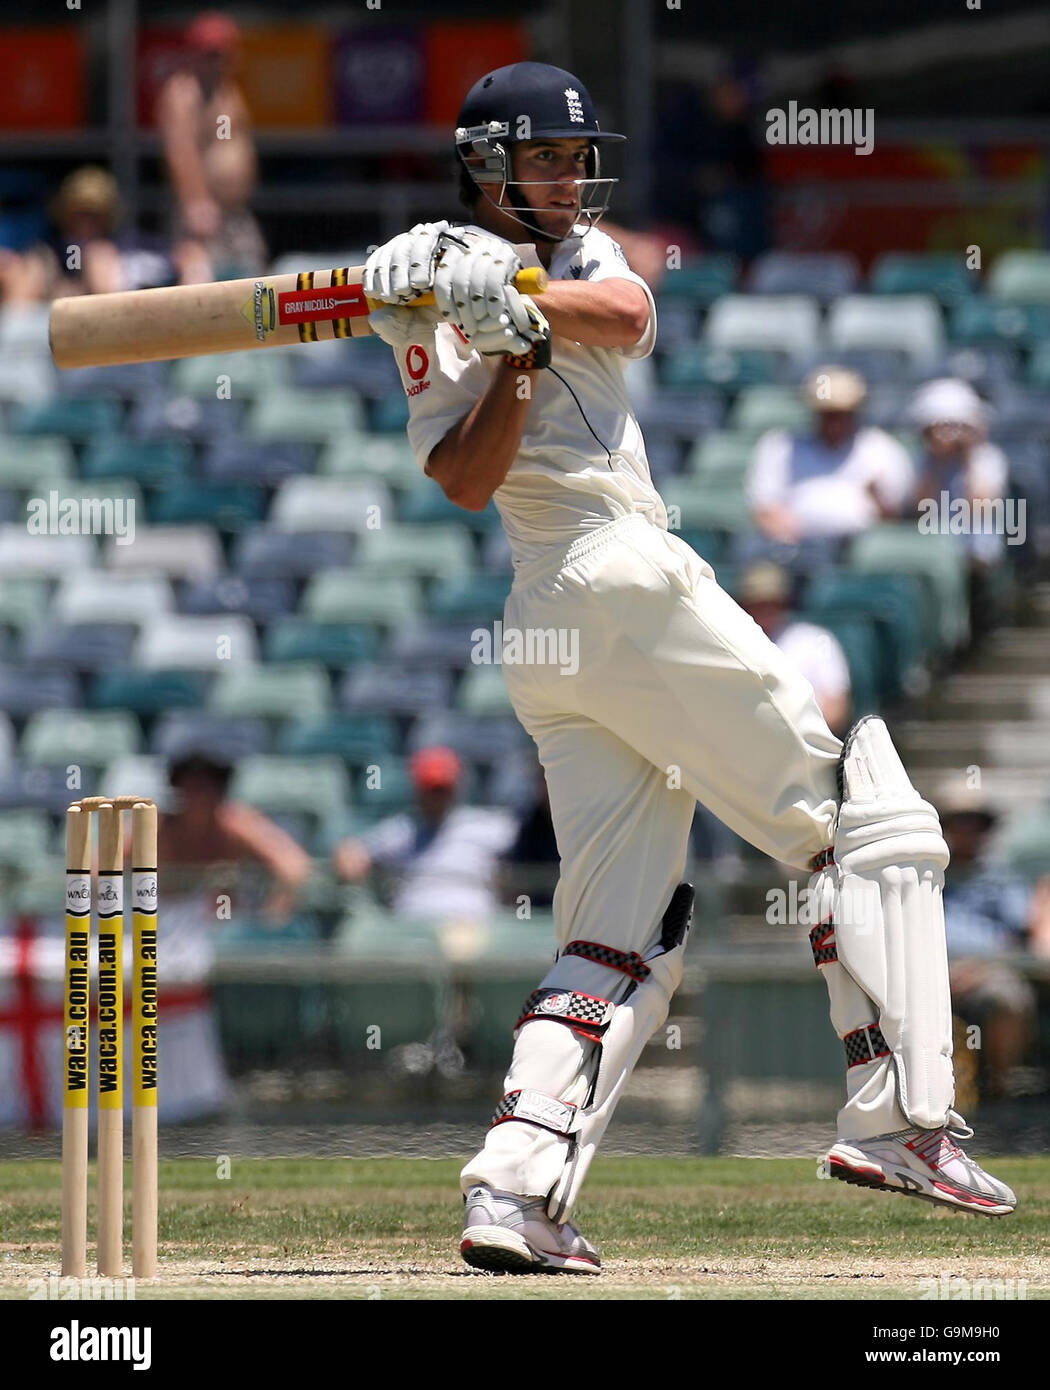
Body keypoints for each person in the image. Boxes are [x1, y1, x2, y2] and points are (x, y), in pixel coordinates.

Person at [362, 61, 1015, 1275]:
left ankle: (512, 1189)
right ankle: (903, 1119)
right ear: (485, 161)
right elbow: (461, 478)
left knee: (620, 930)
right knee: (862, 824)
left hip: (558, 635)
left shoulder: (564, 259)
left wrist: (511, 295)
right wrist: (494, 341)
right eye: (545, 160)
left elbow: (629, 313)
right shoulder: (420, 292)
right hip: (603, 574)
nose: (568, 178)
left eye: (574, 158)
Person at [933, 781, 1043, 1100]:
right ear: (946, 827)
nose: (968, 830)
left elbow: (1021, 938)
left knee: (1007, 997)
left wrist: (979, 968)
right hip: (926, 976)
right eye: (960, 822)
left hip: (990, 974)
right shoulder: (923, 873)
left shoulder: (1004, 877)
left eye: (976, 823)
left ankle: (999, 1094)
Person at [331, 747, 515, 923]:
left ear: (456, 789)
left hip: (473, 923)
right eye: (431, 790)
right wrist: (349, 856)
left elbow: (529, 839)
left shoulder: (484, 826)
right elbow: (353, 851)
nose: (437, 798)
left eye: (442, 790)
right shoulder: (402, 829)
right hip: (413, 926)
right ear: (418, 790)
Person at [747, 366, 914, 555]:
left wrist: (878, 500)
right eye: (827, 414)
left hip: (862, 549)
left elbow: (896, 518)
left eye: (841, 414)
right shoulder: (781, 446)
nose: (834, 422)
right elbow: (764, 509)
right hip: (795, 549)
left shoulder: (883, 450)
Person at [155, 12, 263, 284]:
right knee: (200, 284)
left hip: (235, 212)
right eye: (210, 55)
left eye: (223, 54)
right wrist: (196, 201)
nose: (217, 62)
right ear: (194, 54)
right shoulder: (183, 92)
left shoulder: (229, 92)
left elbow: (231, 143)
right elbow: (180, 149)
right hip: (204, 212)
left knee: (252, 283)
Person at [908, 378, 1013, 638]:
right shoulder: (921, 461)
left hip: (975, 549)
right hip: (932, 546)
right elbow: (920, 509)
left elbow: (980, 506)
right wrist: (937, 462)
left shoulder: (988, 458)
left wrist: (967, 459)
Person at [738, 561, 852, 735]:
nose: (764, 610)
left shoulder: (815, 639)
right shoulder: (735, 643)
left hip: (808, 744)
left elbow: (836, 706)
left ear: (784, 603)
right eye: (756, 604)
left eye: (772, 603)